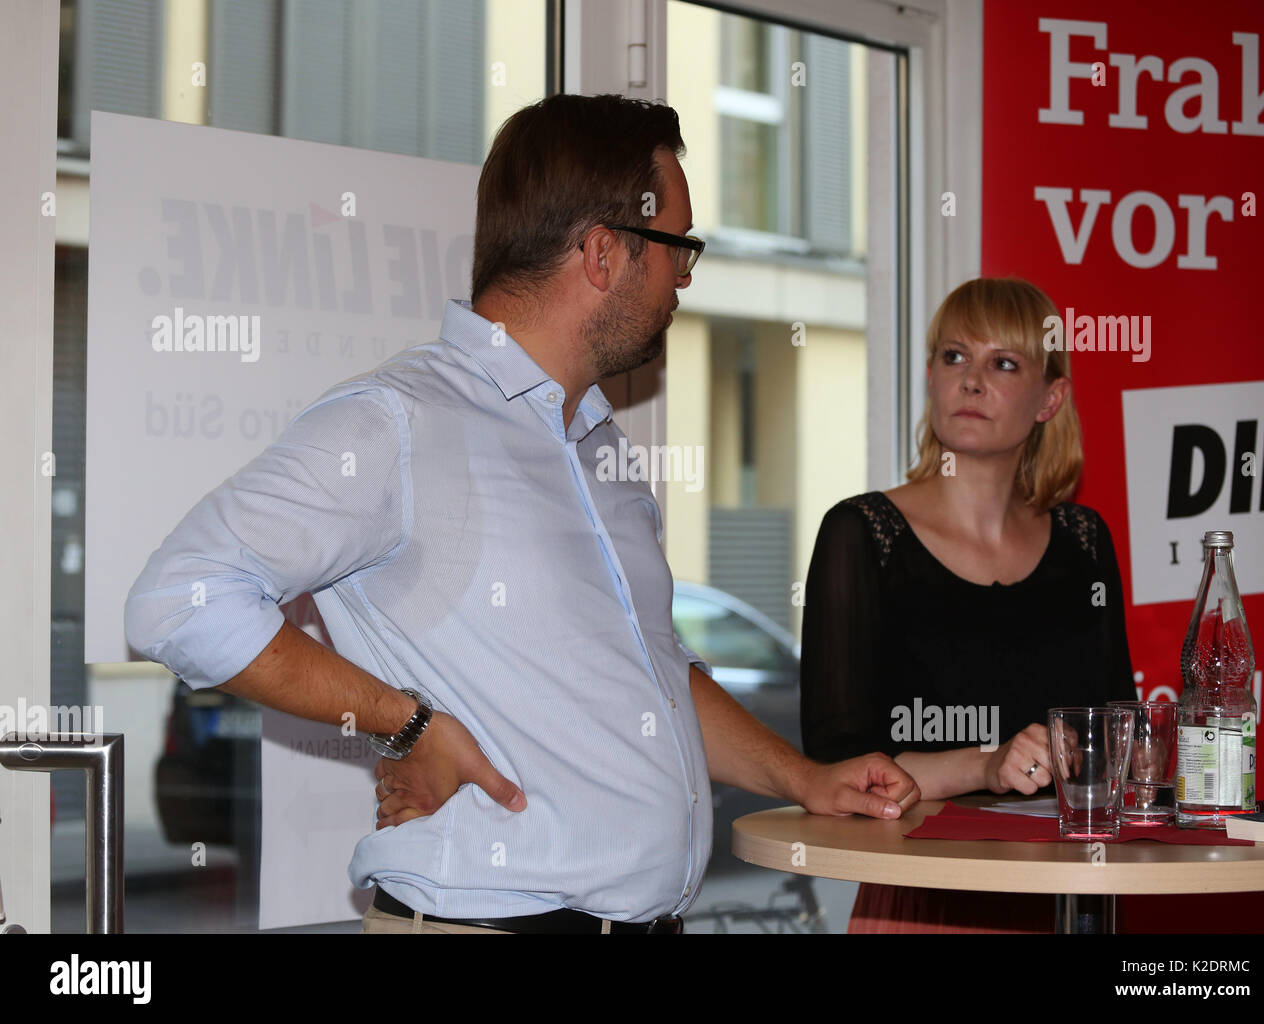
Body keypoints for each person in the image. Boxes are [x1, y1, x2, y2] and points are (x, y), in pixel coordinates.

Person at [124, 93, 918, 935]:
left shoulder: (598, 443)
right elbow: (179, 599)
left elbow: (657, 673)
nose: (684, 278)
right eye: (678, 249)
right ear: (605, 253)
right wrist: (409, 723)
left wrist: (803, 779)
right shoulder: (400, 419)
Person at [799, 277, 1137, 933]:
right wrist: (986, 764)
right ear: (930, 377)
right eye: (955, 357)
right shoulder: (862, 534)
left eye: (1003, 363)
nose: (971, 381)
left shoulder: (1085, 541)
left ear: (1050, 398)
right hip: (926, 899)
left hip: (1072, 899)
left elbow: (1110, 742)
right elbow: (838, 767)